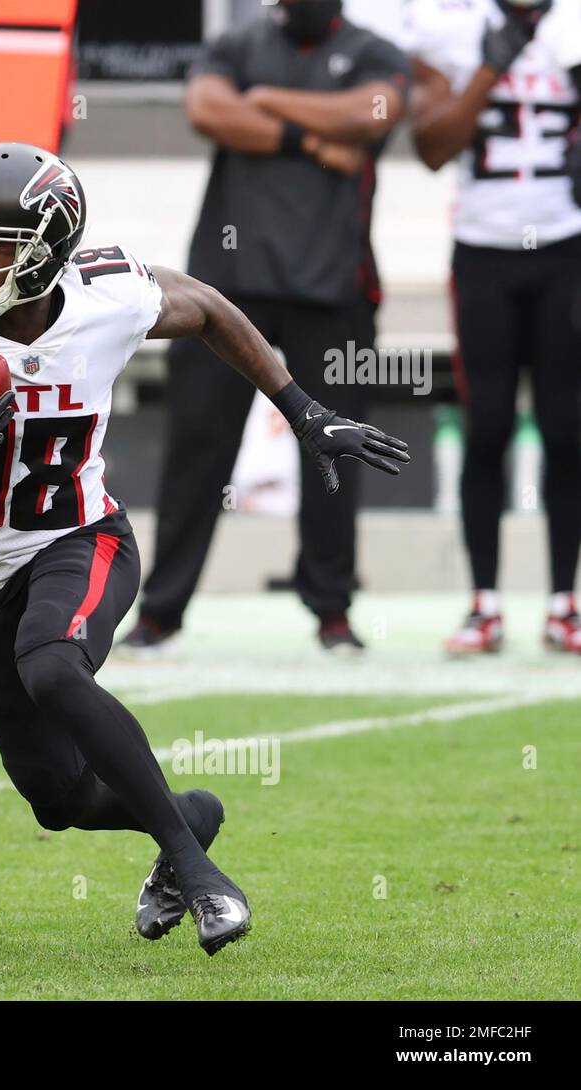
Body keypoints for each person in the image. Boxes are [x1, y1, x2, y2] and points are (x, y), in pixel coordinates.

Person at [0, 144, 410, 954]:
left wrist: (303, 410)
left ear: (46, 248)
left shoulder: (106, 297)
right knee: (59, 799)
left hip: (84, 537)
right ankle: (191, 823)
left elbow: (209, 306)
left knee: (54, 665)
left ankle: (200, 876)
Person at [118, 0, 410, 655]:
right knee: (197, 447)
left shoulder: (373, 51)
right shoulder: (238, 42)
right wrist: (308, 136)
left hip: (334, 282)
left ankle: (332, 609)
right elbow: (207, 110)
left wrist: (269, 99)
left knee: (334, 448)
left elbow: (375, 112)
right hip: (228, 287)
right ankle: (161, 610)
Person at [406, 0, 581, 655]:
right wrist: (489, 67)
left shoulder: (574, 22)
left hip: (567, 247)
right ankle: (486, 605)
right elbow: (430, 145)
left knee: (566, 427)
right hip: (484, 251)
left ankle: (565, 603)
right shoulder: (452, 24)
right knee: (491, 426)